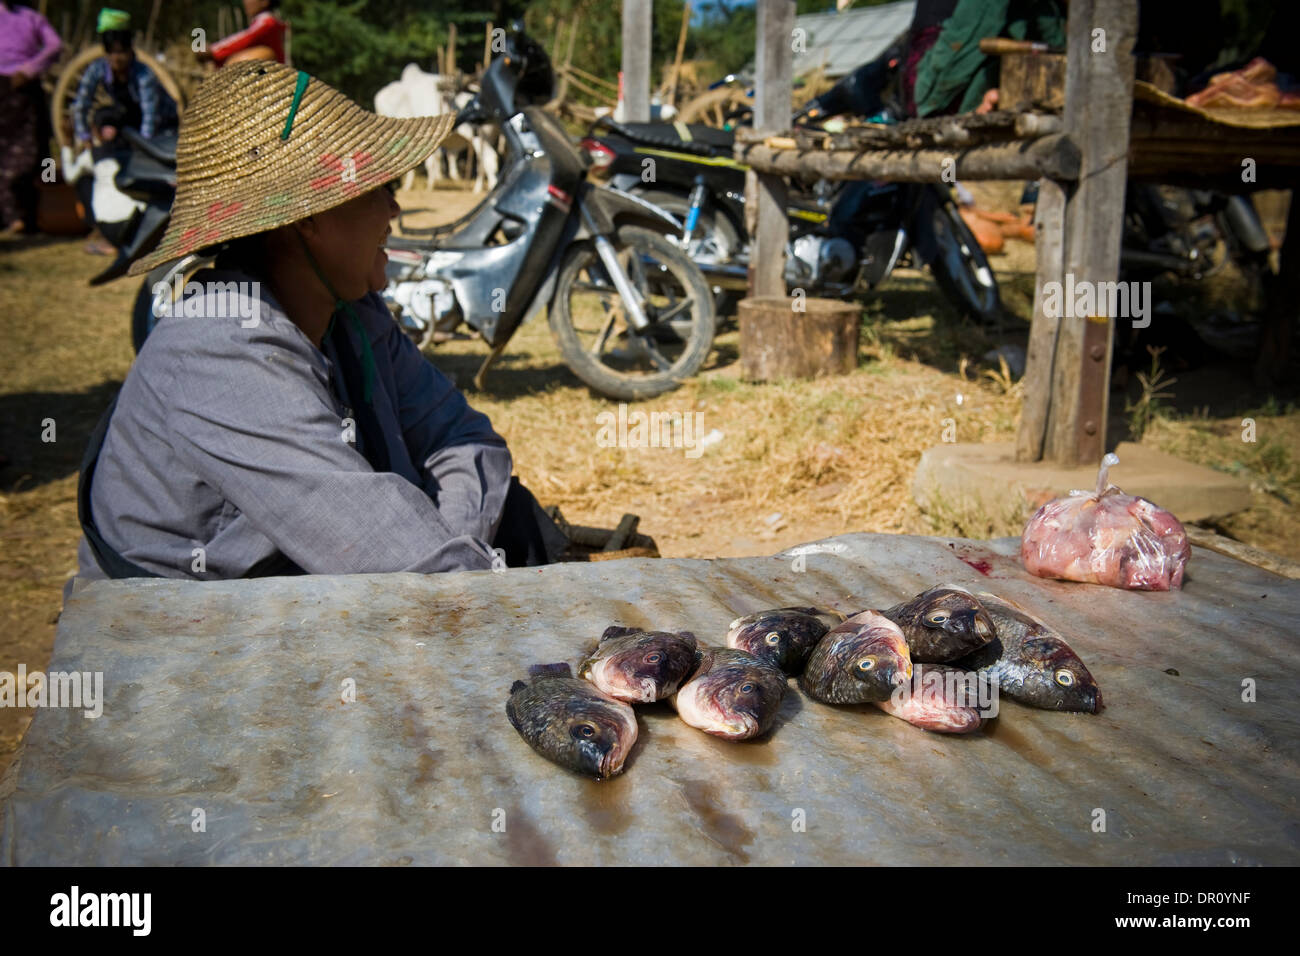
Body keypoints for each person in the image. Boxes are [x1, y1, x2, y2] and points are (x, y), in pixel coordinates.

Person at [72, 61, 565, 589]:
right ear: (309, 217)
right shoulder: (221, 349)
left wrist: (451, 541)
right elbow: (391, 558)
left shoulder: (350, 314)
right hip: (175, 638)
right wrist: (461, 568)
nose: (394, 208)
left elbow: (462, 438)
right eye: (378, 187)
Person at [71, 8, 178, 148]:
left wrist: (144, 147)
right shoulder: (97, 69)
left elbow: (150, 116)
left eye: (121, 52)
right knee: (103, 116)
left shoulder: (144, 75)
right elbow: (81, 104)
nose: (117, 58)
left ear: (130, 51)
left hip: (163, 123)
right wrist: (84, 135)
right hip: (130, 117)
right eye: (112, 52)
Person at [0, 0, 63, 234]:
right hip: (9, 89)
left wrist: (28, 70)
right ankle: (13, 216)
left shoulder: (31, 18)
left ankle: (32, 214)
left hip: (25, 93)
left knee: (37, 154)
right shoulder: (30, 17)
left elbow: (55, 46)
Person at [198, 0, 289, 67]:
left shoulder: (267, 23)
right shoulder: (266, 22)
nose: (245, 1)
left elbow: (243, 40)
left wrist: (213, 50)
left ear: (264, 1)